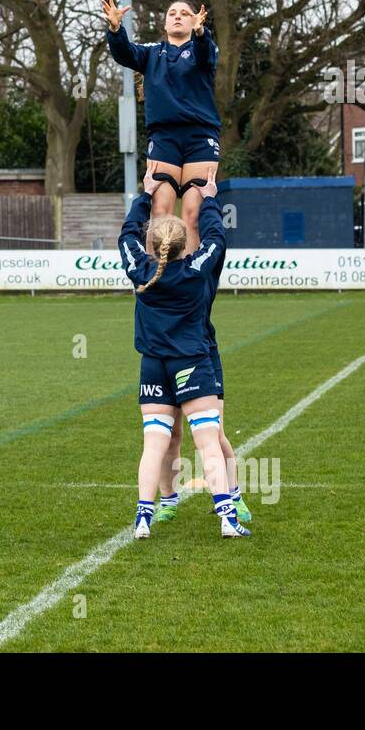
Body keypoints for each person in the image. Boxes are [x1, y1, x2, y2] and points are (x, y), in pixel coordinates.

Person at [118, 162, 249, 540]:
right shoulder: (195, 272)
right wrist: (209, 200)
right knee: (208, 443)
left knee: (154, 445)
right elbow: (215, 240)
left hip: (153, 367)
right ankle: (227, 517)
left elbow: (126, 235)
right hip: (192, 363)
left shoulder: (140, 271)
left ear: (151, 244)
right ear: (180, 246)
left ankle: (144, 518)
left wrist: (145, 194)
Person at [103, 0, 220, 254]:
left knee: (192, 216)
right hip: (164, 139)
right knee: (159, 213)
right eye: (172, 13)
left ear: (195, 22)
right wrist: (115, 28)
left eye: (185, 13)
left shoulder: (205, 49)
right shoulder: (151, 54)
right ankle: (155, 282)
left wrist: (202, 34)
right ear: (165, 25)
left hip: (200, 139)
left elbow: (205, 54)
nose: (177, 16)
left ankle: (190, 281)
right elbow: (124, 52)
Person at [151, 233, 252, 526]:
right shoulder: (156, 272)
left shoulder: (201, 269)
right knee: (170, 435)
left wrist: (209, 202)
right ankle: (168, 499)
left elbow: (216, 240)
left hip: (201, 355)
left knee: (214, 434)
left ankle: (233, 496)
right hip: (164, 358)